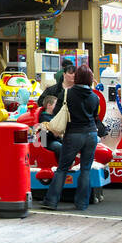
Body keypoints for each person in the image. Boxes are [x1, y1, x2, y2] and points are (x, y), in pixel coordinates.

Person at [40, 65, 100, 212]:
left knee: (62, 169)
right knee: (85, 169)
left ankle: (51, 201)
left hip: (73, 134)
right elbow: (95, 116)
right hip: (91, 134)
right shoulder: (95, 97)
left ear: (77, 77)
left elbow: (56, 113)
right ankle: (82, 204)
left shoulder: (67, 93)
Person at [36, 94, 63, 159]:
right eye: (55, 105)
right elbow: (43, 135)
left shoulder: (54, 116)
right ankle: (61, 165)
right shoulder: (43, 118)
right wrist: (54, 134)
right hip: (48, 141)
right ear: (49, 105)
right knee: (59, 147)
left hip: (57, 138)